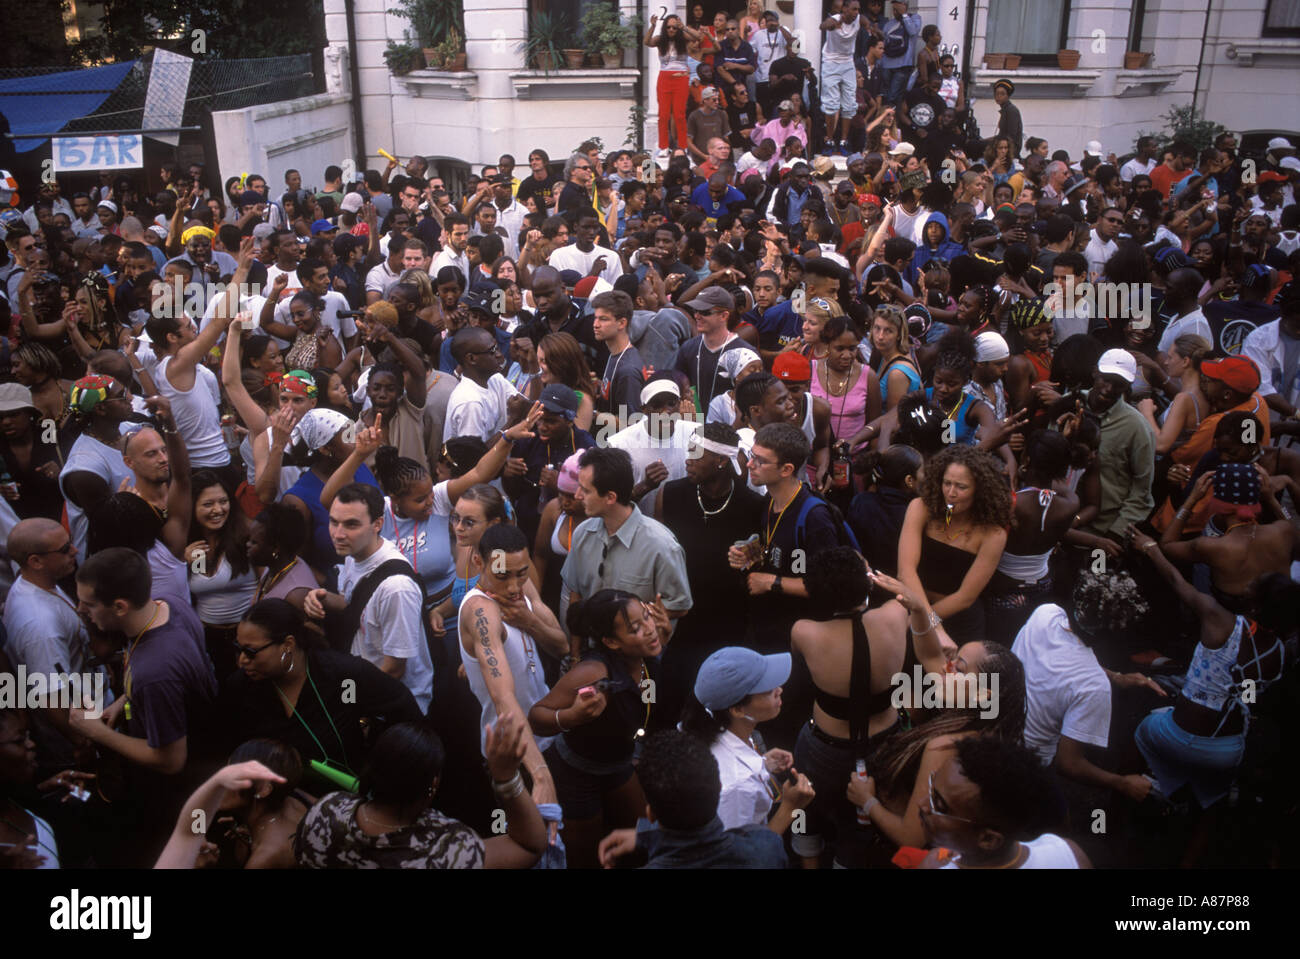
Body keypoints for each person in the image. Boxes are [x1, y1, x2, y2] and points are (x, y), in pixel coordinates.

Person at [1130, 527, 1294, 812]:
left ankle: (1125, 796)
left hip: (1175, 735)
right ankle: (1192, 847)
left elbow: (1175, 580)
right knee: (1210, 808)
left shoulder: (1219, 619)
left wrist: (1149, 547)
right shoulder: (1281, 654)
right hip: (1225, 752)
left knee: (1139, 735)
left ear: (1255, 604)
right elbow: (1251, 698)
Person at [528, 589, 669, 868]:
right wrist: (572, 716)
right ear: (611, 642)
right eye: (636, 628)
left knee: (643, 837)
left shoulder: (649, 650)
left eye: (647, 617)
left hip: (618, 762)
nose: (650, 630)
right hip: (577, 772)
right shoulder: (594, 672)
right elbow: (536, 716)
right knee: (588, 858)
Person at [295, 716, 548, 868]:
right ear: (433, 786)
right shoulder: (448, 849)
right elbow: (530, 847)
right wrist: (506, 778)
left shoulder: (326, 811)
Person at [789, 546, 908, 867]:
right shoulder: (897, 614)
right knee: (861, 825)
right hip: (888, 744)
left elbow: (801, 677)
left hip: (824, 747)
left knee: (806, 808)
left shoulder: (804, 632)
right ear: (867, 581)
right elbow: (924, 610)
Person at [1011, 571, 1164, 805]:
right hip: (1028, 765)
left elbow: (1066, 658)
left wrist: (1116, 676)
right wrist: (1122, 783)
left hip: (995, 729)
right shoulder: (1094, 687)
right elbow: (1069, 763)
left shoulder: (1046, 614)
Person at [458, 524, 568, 819]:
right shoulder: (480, 611)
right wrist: (541, 775)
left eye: (521, 573)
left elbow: (562, 646)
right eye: (502, 576)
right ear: (479, 563)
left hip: (546, 739)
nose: (513, 586)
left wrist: (529, 621)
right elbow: (503, 698)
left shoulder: (520, 589)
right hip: (514, 755)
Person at [302, 483, 433, 714]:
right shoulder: (354, 554)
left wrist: (348, 700)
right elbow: (350, 602)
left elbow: (394, 669)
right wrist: (320, 598)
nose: (338, 534)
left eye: (351, 524)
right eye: (334, 522)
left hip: (391, 706)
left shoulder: (397, 588)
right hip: (360, 684)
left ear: (377, 524)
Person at [561, 447, 692, 659]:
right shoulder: (582, 535)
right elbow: (576, 595)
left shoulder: (661, 546)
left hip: (640, 661)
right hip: (592, 656)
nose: (577, 496)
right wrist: (575, 657)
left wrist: (632, 623)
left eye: (585, 491)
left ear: (610, 497)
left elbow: (679, 605)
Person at [596, 729, 788, 868]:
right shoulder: (766, 847)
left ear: (650, 814)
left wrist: (649, 835)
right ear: (719, 789)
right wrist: (790, 809)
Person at [681, 646, 815, 835]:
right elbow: (742, 855)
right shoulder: (737, 787)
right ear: (737, 710)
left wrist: (763, 765)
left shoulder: (703, 728)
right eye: (767, 689)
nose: (779, 689)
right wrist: (790, 808)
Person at [917, 736, 1091, 869]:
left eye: (939, 806)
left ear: (988, 839)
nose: (922, 804)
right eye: (932, 785)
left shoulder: (933, 865)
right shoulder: (1067, 854)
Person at [897, 445, 1010, 647]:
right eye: (946, 483)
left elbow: (965, 597)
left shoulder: (994, 534)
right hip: (914, 606)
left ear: (980, 490)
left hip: (959, 620)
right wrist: (929, 621)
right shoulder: (920, 507)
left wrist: (928, 621)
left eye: (961, 487)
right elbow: (906, 571)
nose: (951, 493)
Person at [987, 431, 1080, 643]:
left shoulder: (1010, 504)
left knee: (999, 645)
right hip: (1042, 586)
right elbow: (1054, 488)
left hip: (1002, 588)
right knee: (1029, 642)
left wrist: (1022, 472)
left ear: (1027, 459)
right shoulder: (1071, 504)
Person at [154, 743, 310, 869]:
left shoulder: (265, 858)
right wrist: (199, 835)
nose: (224, 779)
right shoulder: (294, 796)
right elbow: (200, 810)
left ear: (263, 789)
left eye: (237, 775)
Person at [186, 470, 256, 683]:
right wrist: (182, 563)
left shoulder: (247, 536)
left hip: (247, 637)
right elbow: (198, 588)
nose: (218, 510)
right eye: (208, 504)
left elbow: (268, 582)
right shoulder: (193, 547)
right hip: (208, 639)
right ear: (192, 507)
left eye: (223, 501)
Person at [606, 376, 703, 514]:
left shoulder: (696, 433)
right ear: (644, 410)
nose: (665, 411)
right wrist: (645, 486)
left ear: (679, 404)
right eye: (657, 405)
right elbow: (611, 505)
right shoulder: (619, 445)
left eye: (671, 403)